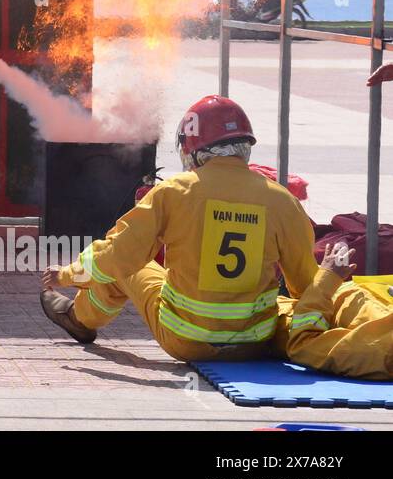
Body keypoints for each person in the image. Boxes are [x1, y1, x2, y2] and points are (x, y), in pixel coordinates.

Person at [39, 95, 318, 362]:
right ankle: (80, 317)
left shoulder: (175, 192)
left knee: (126, 263)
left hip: (186, 339)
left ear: (194, 149)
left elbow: (118, 254)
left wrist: (67, 274)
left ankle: (79, 318)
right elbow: (306, 284)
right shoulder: (282, 200)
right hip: (254, 342)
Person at [279, 241, 393, 379]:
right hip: (329, 286)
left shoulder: (380, 351)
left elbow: (302, 345)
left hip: (293, 309)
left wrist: (328, 277)